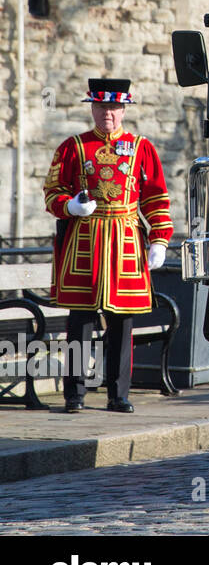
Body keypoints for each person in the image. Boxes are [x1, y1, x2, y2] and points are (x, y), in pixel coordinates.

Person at [43, 79, 172, 414]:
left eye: (114, 108)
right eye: (101, 107)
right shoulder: (73, 147)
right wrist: (70, 206)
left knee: (122, 322)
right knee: (79, 322)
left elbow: (156, 197)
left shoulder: (142, 147)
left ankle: (118, 393)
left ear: (124, 109)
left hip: (125, 243)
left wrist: (159, 238)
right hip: (85, 240)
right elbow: (52, 191)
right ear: (92, 108)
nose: (108, 114)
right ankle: (74, 394)